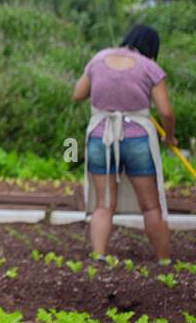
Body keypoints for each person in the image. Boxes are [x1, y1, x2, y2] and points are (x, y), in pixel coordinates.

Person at [73, 24, 174, 262]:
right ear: (152, 48)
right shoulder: (150, 67)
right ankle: (165, 261)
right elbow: (166, 113)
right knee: (150, 205)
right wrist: (170, 137)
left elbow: (78, 94)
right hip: (137, 137)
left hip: (100, 136)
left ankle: (98, 257)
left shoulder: (98, 59)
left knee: (104, 204)